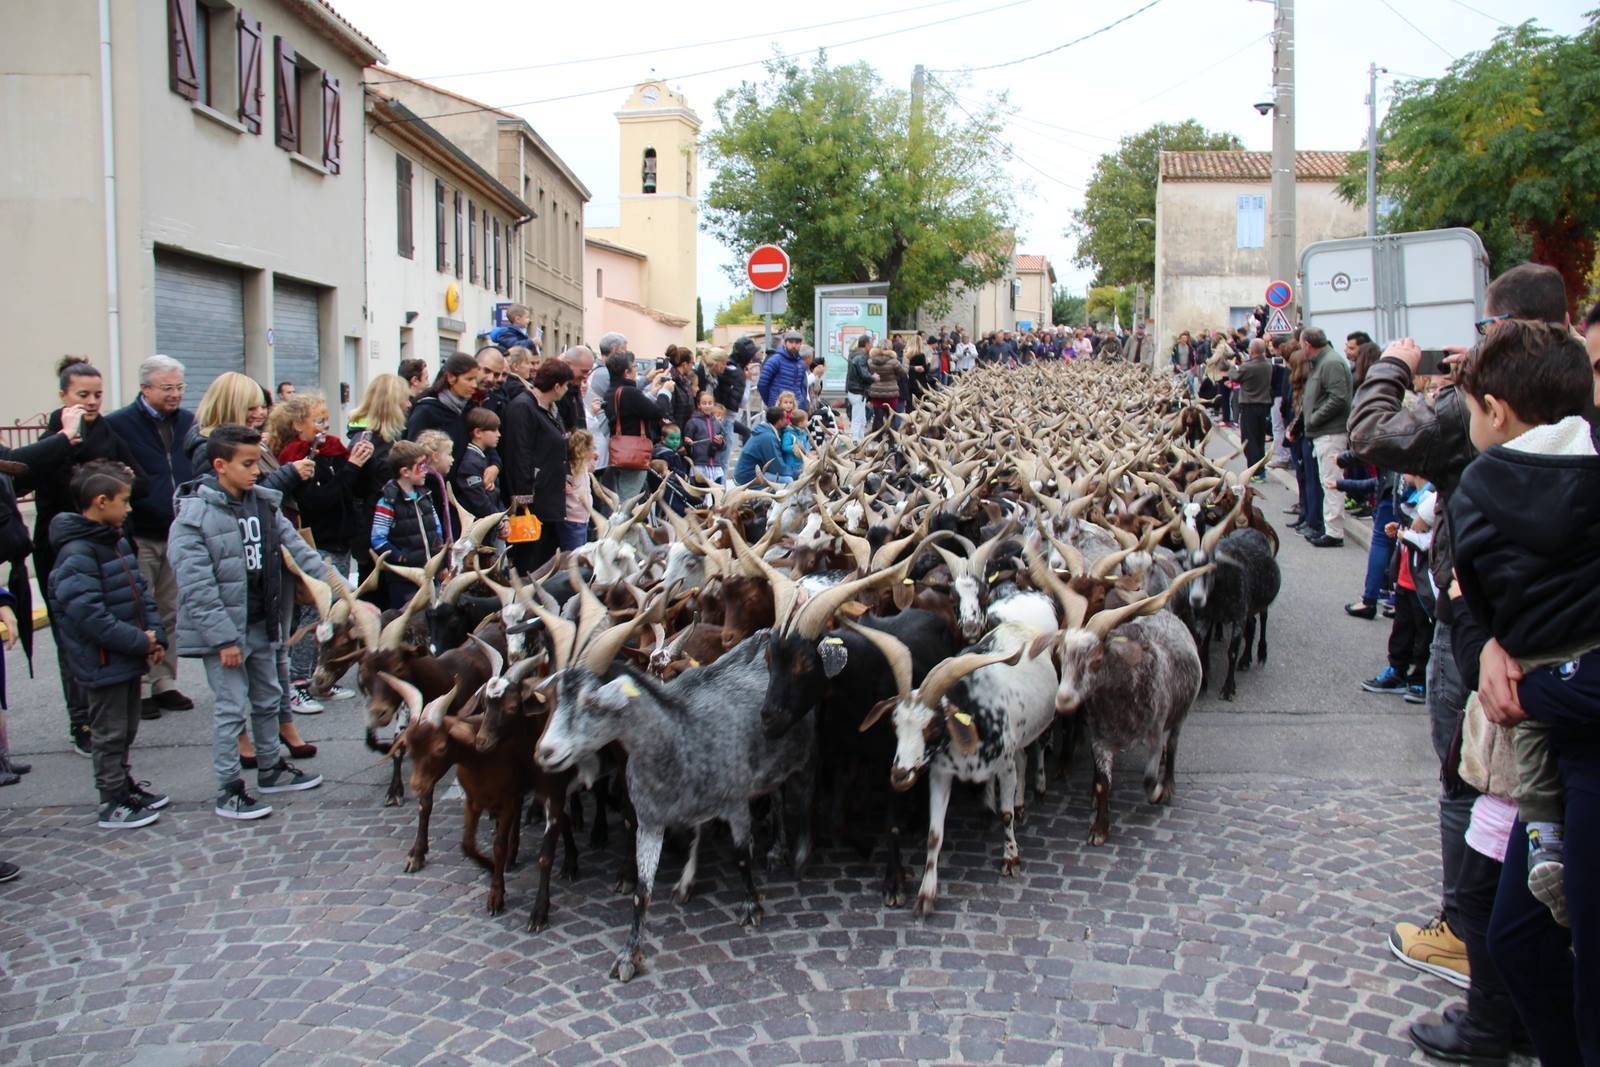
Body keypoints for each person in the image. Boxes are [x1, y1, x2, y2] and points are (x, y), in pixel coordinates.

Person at [1348, 262, 1573, 1007]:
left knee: (1466, 777)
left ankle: (1468, 936)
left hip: (1480, 628)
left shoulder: (1483, 420)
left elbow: (1373, 435)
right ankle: (1517, 942)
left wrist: (1391, 366)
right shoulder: (1576, 389)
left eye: (1484, 324)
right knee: (1530, 790)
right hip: (1553, 640)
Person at [1445, 321, 1600, 1065]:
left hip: (1576, 722)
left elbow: (1469, 584)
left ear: (1495, 409)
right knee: (1517, 936)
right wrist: (1496, 650)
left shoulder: (1481, 486)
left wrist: (1522, 658)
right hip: (1560, 697)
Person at [169, 425, 326, 820]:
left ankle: (271, 769)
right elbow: (197, 586)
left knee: (269, 696)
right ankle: (230, 788)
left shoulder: (265, 504)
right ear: (220, 465)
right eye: (248, 463)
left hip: (263, 622)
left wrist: (342, 595)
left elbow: (301, 554)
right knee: (229, 707)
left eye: (258, 461)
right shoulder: (193, 518)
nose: (258, 471)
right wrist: (224, 639)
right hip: (225, 632)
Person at [187, 373, 321, 750]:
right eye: (252, 407)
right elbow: (232, 502)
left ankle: (279, 733)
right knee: (237, 682)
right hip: (237, 575)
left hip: (267, 563)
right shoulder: (214, 452)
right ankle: (244, 746)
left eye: (261, 406)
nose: (261, 413)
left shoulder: (253, 445)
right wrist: (287, 475)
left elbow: (264, 499)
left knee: (272, 661)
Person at [47, 460, 167, 828]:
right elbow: (88, 615)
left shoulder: (113, 541)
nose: (130, 508)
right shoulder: (78, 553)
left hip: (127, 653)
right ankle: (111, 798)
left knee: (126, 727)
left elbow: (140, 594)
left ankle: (123, 785)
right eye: (124, 501)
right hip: (104, 659)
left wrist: (154, 636)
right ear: (101, 501)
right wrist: (138, 640)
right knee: (110, 731)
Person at [34, 357, 143, 754]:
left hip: (110, 543)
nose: (92, 402)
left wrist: (113, 476)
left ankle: (111, 720)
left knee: (113, 628)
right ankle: (81, 720)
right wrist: (70, 449)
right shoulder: (55, 435)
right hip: (63, 545)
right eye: (83, 395)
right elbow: (34, 478)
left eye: (97, 394)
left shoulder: (108, 430)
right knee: (74, 636)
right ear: (63, 395)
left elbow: (139, 479)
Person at [104, 355, 196, 718]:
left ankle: (164, 682)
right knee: (139, 610)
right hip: (140, 531)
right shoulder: (119, 425)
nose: (175, 395)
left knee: (169, 610)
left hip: (176, 531)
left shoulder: (189, 423)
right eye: (167, 388)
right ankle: (139, 685)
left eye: (179, 387)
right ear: (145, 389)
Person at [267, 392, 372, 710]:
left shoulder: (334, 450)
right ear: (298, 424)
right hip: (318, 542)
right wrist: (352, 467)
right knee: (313, 614)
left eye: (327, 419)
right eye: (318, 420)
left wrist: (358, 462)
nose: (325, 426)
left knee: (333, 614)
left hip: (340, 539)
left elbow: (352, 489)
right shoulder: (295, 455)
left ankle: (319, 677)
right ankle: (297, 681)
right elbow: (319, 501)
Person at [1359, 476, 1436, 703]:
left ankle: (1419, 678)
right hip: (1405, 576)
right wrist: (1400, 530)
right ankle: (1397, 670)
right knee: (1402, 628)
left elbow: (1428, 538)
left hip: (1422, 581)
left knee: (1423, 633)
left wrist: (1406, 535)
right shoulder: (1412, 496)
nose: (1402, 475)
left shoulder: (1433, 498)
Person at [501, 360, 573, 572]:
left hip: (549, 493)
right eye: (566, 385)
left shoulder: (551, 409)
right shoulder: (522, 407)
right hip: (534, 498)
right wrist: (523, 495)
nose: (567, 390)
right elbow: (518, 452)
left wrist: (565, 475)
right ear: (557, 386)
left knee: (548, 553)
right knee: (533, 556)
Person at [346, 373, 411, 593]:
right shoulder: (366, 442)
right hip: (376, 537)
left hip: (392, 532)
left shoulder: (390, 439)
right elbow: (357, 492)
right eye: (405, 399)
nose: (409, 404)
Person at [371, 439, 445, 610]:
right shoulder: (387, 502)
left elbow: (437, 529)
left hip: (430, 573)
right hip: (405, 579)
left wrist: (440, 562)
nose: (426, 471)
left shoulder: (425, 496)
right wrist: (401, 557)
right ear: (405, 471)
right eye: (421, 466)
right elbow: (378, 539)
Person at [1299, 327, 1352, 547]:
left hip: (1331, 432)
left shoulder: (1330, 363)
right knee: (1326, 481)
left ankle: (1334, 532)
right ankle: (1330, 528)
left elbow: (1339, 398)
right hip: (1324, 432)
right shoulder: (1323, 362)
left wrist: (1314, 419)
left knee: (1331, 482)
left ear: (1307, 345)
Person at [600, 351, 670, 505]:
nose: (637, 369)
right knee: (627, 501)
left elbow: (637, 409)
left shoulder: (613, 390)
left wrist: (652, 391)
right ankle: (621, 528)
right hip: (634, 454)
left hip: (620, 450)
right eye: (634, 366)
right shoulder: (629, 392)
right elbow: (657, 412)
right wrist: (665, 392)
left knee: (622, 496)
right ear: (626, 372)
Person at [406, 352, 480, 463]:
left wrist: (494, 464)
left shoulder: (468, 408)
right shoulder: (426, 411)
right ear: (451, 378)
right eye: (469, 379)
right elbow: (413, 455)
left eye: (475, 379)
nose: (474, 385)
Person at [1230, 339, 1275, 477]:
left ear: (1252, 350)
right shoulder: (1268, 365)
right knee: (1259, 438)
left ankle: (1255, 471)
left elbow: (1233, 376)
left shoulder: (1248, 366)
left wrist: (1232, 366)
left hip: (1249, 406)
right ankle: (1261, 469)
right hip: (1264, 405)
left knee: (1249, 440)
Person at [454, 407, 504, 519]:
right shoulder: (470, 463)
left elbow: (495, 495)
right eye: (494, 430)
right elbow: (479, 501)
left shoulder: (484, 457)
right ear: (478, 432)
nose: (499, 434)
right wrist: (499, 521)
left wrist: (503, 517)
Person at [413, 429, 460, 547]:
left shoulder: (437, 481)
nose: (452, 459)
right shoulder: (429, 484)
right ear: (435, 457)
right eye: (449, 454)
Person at [733, 407, 790, 486]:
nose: (787, 421)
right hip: (748, 478)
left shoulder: (767, 432)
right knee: (788, 480)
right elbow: (777, 468)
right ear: (779, 421)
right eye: (785, 418)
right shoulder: (768, 437)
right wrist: (796, 472)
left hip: (751, 474)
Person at [560, 431, 595, 552]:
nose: (593, 451)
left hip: (582, 518)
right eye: (591, 448)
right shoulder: (570, 469)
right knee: (574, 556)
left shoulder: (583, 466)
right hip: (573, 520)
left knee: (581, 552)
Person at [758, 331, 809, 411]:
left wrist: (802, 404)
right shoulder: (775, 360)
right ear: (785, 343)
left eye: (797, 342)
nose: (794, 345)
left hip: (796, 408)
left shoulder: (801, 363)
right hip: (778, 408)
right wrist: (771, 403)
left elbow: (802, 387)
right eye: (791, 342)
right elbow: (762, 384)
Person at [684, 390, 726, 486]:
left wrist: (721, 443)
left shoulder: (717, 423)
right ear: (699, 405)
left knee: (718, 495)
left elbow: (724, 444)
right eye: (704, 403)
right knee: (700, 497)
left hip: (715, 465)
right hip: (699, 465)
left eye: (710, 403)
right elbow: (687, 444)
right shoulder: (693, 422)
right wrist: (688, 443)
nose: (707, 406)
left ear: (714, 404)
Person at [867, 345, 906, 432]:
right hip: (891, 394)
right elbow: (903, 374)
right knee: (891, 417)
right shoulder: (894, 362)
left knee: (878, 417)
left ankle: (878, 438)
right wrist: (894, 378)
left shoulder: (870, 361)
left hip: (876, 393)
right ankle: (891, 440)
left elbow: (868, 375)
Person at [845, 335, 873, 440]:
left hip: (855, 390)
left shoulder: (854, 355)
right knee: (857, 420)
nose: (872, 345)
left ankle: (860, 442)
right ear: (866, 344)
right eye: (871, 343)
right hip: (858, 391)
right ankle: (855, 443)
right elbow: (864, 375)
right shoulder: (861, 357)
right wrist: (873, 377)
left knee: (861, 419)